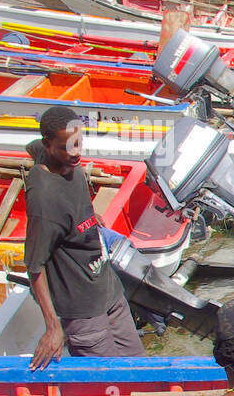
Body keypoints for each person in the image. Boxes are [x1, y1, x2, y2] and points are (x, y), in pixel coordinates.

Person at [24, 105, 144, 371]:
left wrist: (87, 215)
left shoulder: (67, 163)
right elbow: (34, 267)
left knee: (141, 368)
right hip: (83, 312)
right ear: (49, 144)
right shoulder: (44, 200)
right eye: (67, 147)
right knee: (112, 381)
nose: (76, 152)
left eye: (79, 143)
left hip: (109, 290)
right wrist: (53, 327)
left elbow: (32, 147)